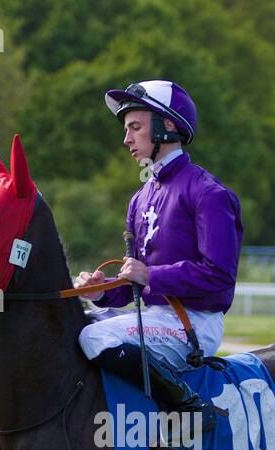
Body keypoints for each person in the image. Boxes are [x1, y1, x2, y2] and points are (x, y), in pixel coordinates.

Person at [73, 80, 243, 430]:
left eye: (135, 127)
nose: (127, 139)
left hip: (194, 324)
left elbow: (219, 275)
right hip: (155, 319)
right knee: (76, 324)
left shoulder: (208, 193)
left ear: (167, 125)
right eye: (126, 129)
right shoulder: (139, 198)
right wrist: (102, 292)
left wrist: (151, 275)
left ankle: (187, 407)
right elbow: (135, 284)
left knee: (95, 337)